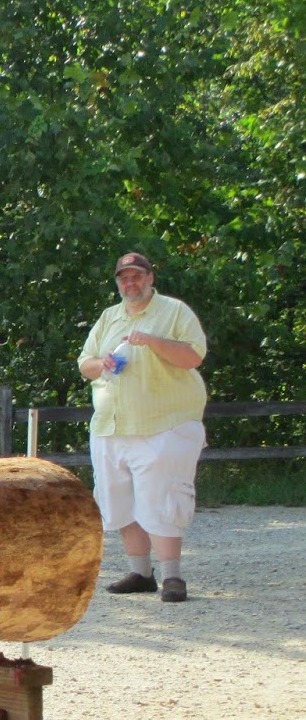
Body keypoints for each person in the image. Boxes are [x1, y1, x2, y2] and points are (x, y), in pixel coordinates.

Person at [78, 251, 208, 603]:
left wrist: (152, 340)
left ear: (151, 278)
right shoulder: (109, 317)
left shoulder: (174, 312)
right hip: (112, 425)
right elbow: (84, 363)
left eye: (137, 276)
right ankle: (141, 572)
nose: (130, 283)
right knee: (118, 499)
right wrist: (100, 362)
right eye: (124, 277)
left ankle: (172, 576)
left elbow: (194, 356)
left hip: (163, 424)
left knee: (162, 498)